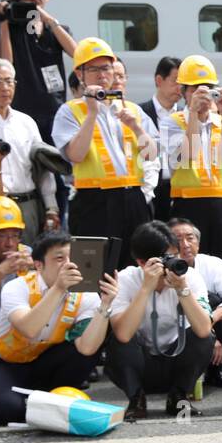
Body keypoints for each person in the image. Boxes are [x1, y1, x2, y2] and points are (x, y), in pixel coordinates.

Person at [0, 230, 116, 426]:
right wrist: (58, 288)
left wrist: (105, 305)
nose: (69, 264)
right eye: (59, 259)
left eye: (73, 257)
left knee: (83, 348)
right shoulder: (17, 287)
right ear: (38, 265)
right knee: (9, 410)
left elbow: (87, 348)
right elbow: (29, 329)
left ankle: (50, 399)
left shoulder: (86, 295)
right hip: (5, 362)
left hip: (45, 361)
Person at [52, 38, 160, 269]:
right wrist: (91, 114)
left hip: (133, 197)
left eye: (106, 68)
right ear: (80, 74)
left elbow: (152, 154)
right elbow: (76, 155)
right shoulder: (69, 111)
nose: (101, 74)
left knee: (136, 267)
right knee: (91, 272)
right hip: (94, 200)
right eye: (93, 69)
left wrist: (137, 127)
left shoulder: (132, 110)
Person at [107, 220, 214, 420]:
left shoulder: (190, 277)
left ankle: (179, 396)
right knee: (118, 340)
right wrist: (146, 288)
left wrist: (183, 290)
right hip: (141, 363)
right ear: (141, 262)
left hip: (176, 359)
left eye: (173, 256)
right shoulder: (126, 279)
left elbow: (204, 330)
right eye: (163, 258)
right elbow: (122, 333)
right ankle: (136, 398)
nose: (170, 263)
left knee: (205, 339)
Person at [161, 55, 222, 275]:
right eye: (196, 89)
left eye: (208, 89)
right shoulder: (173, 122)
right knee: (188, 268)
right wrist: (194, 115)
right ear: (184, 91)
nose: (203, 95)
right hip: (188, 204)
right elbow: (186, 157)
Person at [0, 0, 77, 145]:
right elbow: (5, 63)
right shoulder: (12, 26)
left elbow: (77, 54)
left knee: (56, 165)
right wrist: (3, 23)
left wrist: (46, 18)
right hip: (21, 109)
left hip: (54, 109)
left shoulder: (55, 29)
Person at [0, 58, 56, 243]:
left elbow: (42, 165)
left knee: (28, 261)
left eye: (9, 81)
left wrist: (51, 207)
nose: (5, 87)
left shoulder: (26, 122)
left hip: (28, 205)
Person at [168, 217, 222, 385]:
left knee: (219, 306)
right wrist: (211, 338)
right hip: (179, 329)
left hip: (207, 321)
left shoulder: (213, 264)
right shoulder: (161, 270)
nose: (185, 244)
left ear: (198, 243)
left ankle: (221, 372)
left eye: (190, 238)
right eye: (178, 239)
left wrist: (211, 321)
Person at [139, 56, 182, 218]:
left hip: (178, 189)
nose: (180, 88)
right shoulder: (140, 112)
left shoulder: (187, 115)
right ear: (159, 80)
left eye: (183, 83)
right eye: (175, 82)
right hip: (149, 188)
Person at [0, 196, 30, 336]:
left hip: (19, 331)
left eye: (15, 235)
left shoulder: (27, 255)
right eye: (2, 236)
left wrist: (38, 271)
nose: (10, 243)